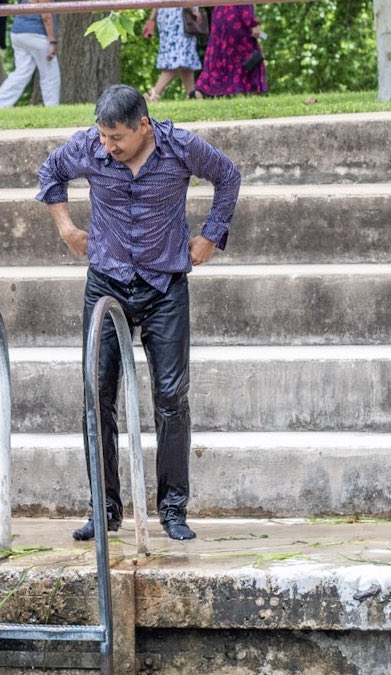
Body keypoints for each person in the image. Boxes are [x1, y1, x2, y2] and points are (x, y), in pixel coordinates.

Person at [37, 84, 240, 542]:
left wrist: (210, 235)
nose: (108, 146)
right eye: (103, 136)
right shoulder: (90, 147)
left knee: (171, 399)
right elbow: (50, 171)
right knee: (96, 396)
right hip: (106, 281)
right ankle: (105, 510)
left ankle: (172, 510)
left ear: (143, 126)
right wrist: (67, 228)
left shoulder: (180, 146)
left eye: (117, 138)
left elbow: (228, 176)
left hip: (165, 283)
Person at [0, 0, 59, 108]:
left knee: (22, 72)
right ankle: (52, 107)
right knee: (50, 73)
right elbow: (46, 16)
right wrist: (52, 41)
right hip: (36, 34)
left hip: (18, 33)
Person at [193, 3, 267, 97]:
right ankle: (245, 94)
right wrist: (254, 25)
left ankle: (200, 91)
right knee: (249, 58)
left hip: (219, 17)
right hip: (236, 20)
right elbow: (245, 6)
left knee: (217, 59)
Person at [141, 5, 203, 101]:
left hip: (168, 15)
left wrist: (152, 19)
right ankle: (154, 93)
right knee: (178, 58)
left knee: (185, 58)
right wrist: (192, 8)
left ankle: (192, 95)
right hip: (179, 17)